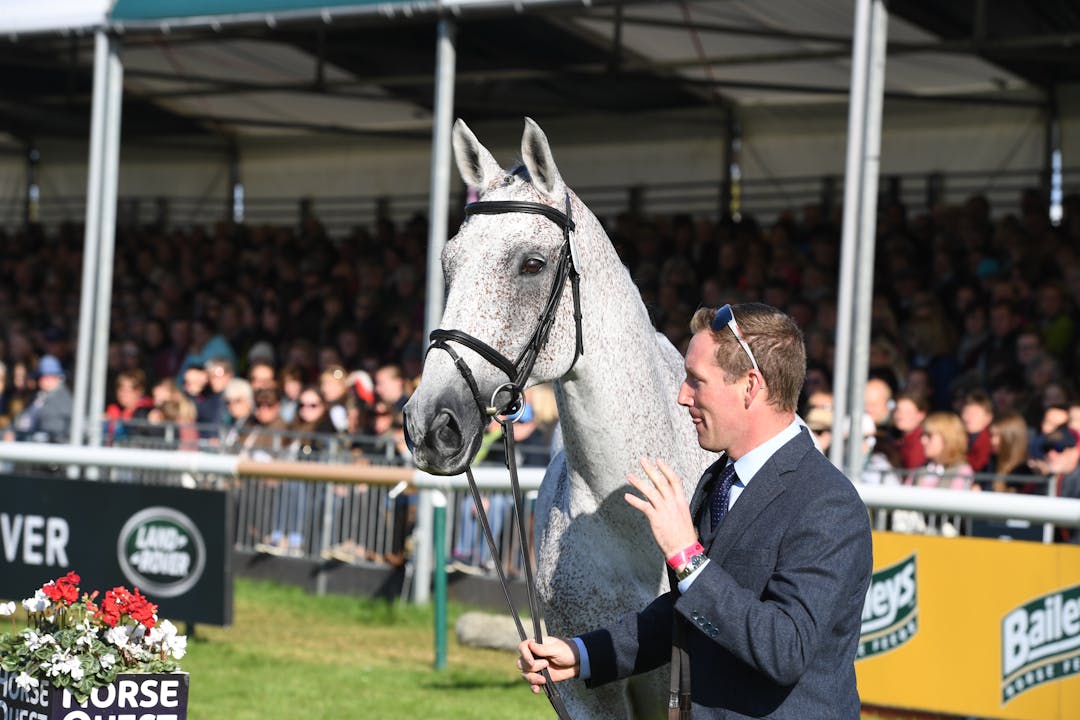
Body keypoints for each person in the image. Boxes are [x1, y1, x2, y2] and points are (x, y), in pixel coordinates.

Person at [518, 303, 873, 719]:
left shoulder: (829, 503)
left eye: (696, 381)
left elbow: (784, 649)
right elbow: (687, 611)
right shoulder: (718, 478)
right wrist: (583, 654)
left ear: (750, 386)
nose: (683, 395)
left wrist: (686, 554)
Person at [6, 355, 73, 443]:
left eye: (50, 376)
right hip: (23, 442)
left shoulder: (61, 400)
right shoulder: (39, 396)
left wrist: (23, 436)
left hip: (41, 450)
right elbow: (21, 419)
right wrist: (10, 430)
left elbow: (52, 434)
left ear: (59, 378)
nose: (45, 380)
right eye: (42, 376)